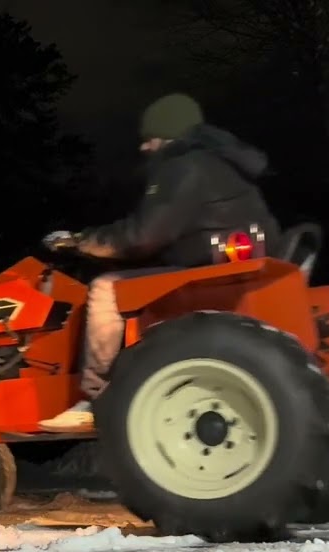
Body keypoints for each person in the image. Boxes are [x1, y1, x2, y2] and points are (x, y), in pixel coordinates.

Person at [37, 93, 280, 433]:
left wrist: (80, 241)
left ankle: (96, 396)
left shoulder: (182, 167)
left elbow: (141, 237)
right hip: (229, 265)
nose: (144, 147)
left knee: (106, 289)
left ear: (168, 135)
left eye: (149, 137)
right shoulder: (226, 165)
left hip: (203, 271)